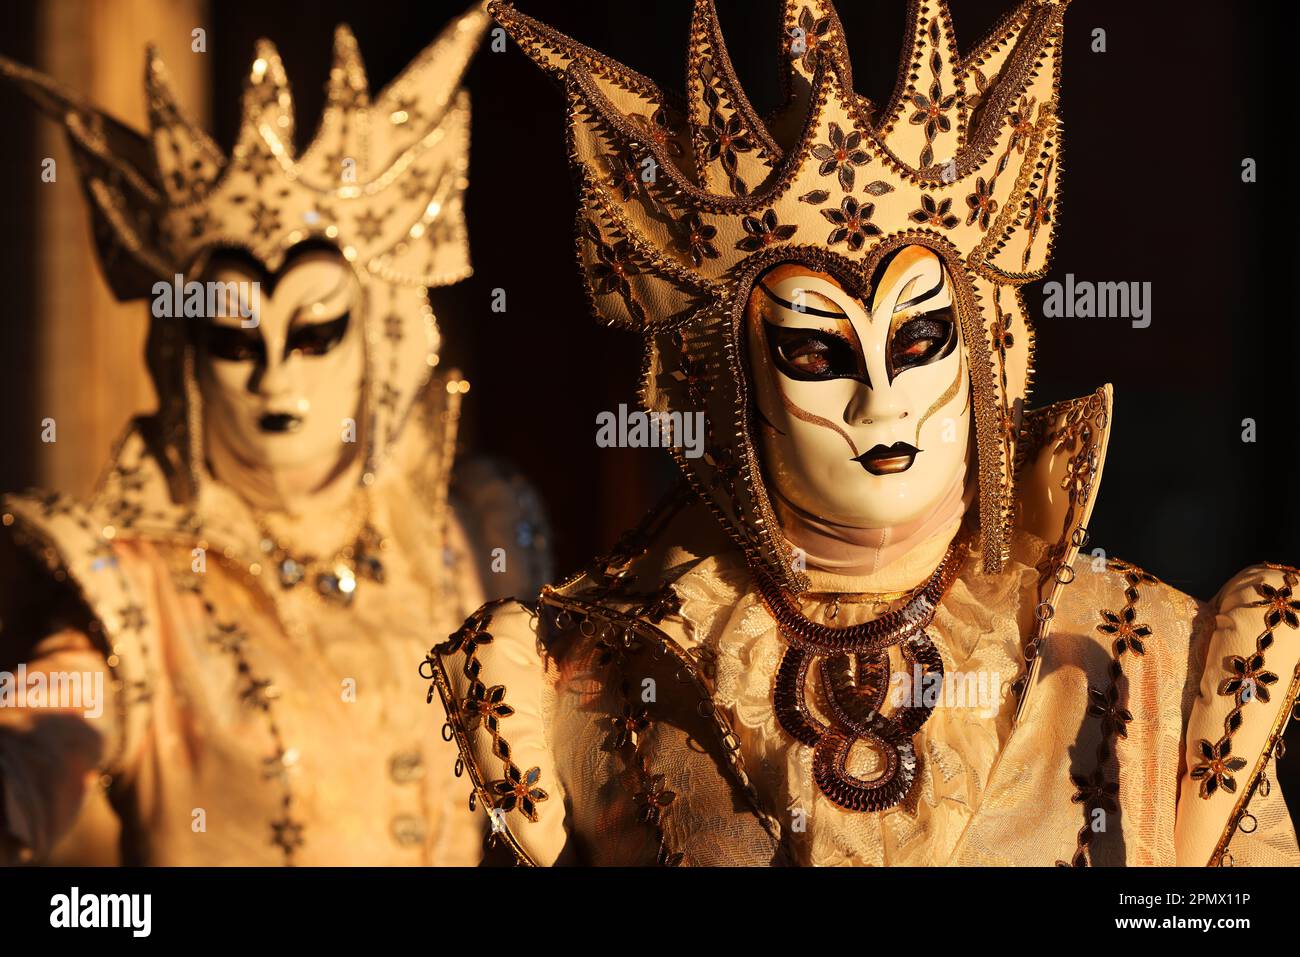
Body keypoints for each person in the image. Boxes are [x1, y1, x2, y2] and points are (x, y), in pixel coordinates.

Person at [424, 0, 1300, 866]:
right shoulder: (581, 682)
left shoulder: (1164, 663)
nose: (882, 404)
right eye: (813, 351)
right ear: (729, 384)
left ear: (985, 343)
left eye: (920, 340)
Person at [0, 3, 551, 865]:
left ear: (381, 336)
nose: (274, 377)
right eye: (232, 339)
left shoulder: (469, 542)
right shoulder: (132, 597)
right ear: (186, 357)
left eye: (315, 330)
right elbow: (41, 737)